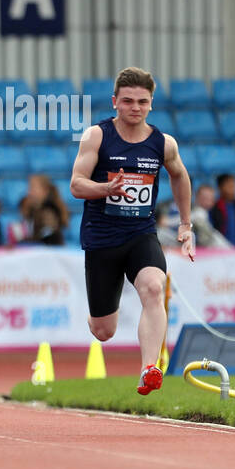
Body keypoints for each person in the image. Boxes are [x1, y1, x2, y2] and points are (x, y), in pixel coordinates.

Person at [70, 66, 194, 396]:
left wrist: (185, 224)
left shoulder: (163, 143)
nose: (135, 108)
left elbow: (180, 176)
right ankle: (97, 317)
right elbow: (76, 185)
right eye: (127, 101)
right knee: (103, 330)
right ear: (115, 102)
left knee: (154, 287)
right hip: (102, 238)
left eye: (142, 101)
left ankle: (149, 368)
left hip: (141, 234)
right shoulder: (96, 136)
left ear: (151, 103)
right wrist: (106, 188)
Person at [11, 174, 69, 244]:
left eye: (32, 188)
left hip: (51, 252)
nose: (29, 192)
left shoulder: (48, 212)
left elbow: (46, 239)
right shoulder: (36, 210)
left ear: (45, 191)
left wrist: (23, 241)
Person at [209, 173, 235, 245]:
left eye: (234, 186)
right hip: (221, 250)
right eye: (230, 186)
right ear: (220, 187)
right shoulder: (214, 209)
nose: (233, 189)